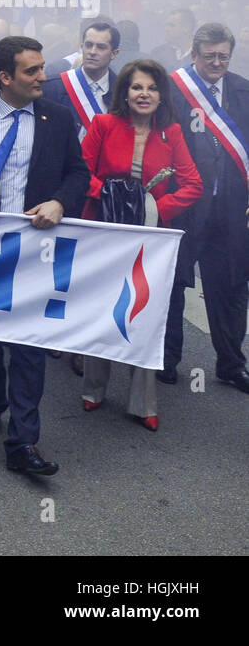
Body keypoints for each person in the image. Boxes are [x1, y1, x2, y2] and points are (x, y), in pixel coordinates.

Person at [0, 36, 90, 476]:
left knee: (29, 347)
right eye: (32, 70)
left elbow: (78, 172)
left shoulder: (58, 119)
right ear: (5, 77)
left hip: (37, 251)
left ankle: (23, 441)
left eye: (42, 67)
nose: (43, 76)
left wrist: (61, 202)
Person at [79, 59, 202, 430]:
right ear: (125, 93)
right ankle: (94, 389)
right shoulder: (103, 125)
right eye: (136, 87)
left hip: (151, 239)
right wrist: (112, 199)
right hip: (104, 231)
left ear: (161, 94)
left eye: (151, 87)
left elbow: (192, 184)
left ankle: (142, 402)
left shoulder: (173, 133)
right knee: (102, 309)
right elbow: (80, 170)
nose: (143, 94)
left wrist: (154, 208)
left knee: (144, 315)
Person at [164, 23, 249, 391]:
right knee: (172, 285)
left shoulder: (243, 90)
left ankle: (231, 364)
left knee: (231, 287)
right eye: (210, 55)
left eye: (223, 56)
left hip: (231, 212)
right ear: (194, 54)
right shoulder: (171, 90)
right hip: (185, 209)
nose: (218, 62)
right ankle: (166, 360)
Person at [43, 19, 121, 142]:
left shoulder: (123, 92)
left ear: (114, 54)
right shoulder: (54, 87)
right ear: (81, 47)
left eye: (101, 47)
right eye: (88, 45)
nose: (92, 52)